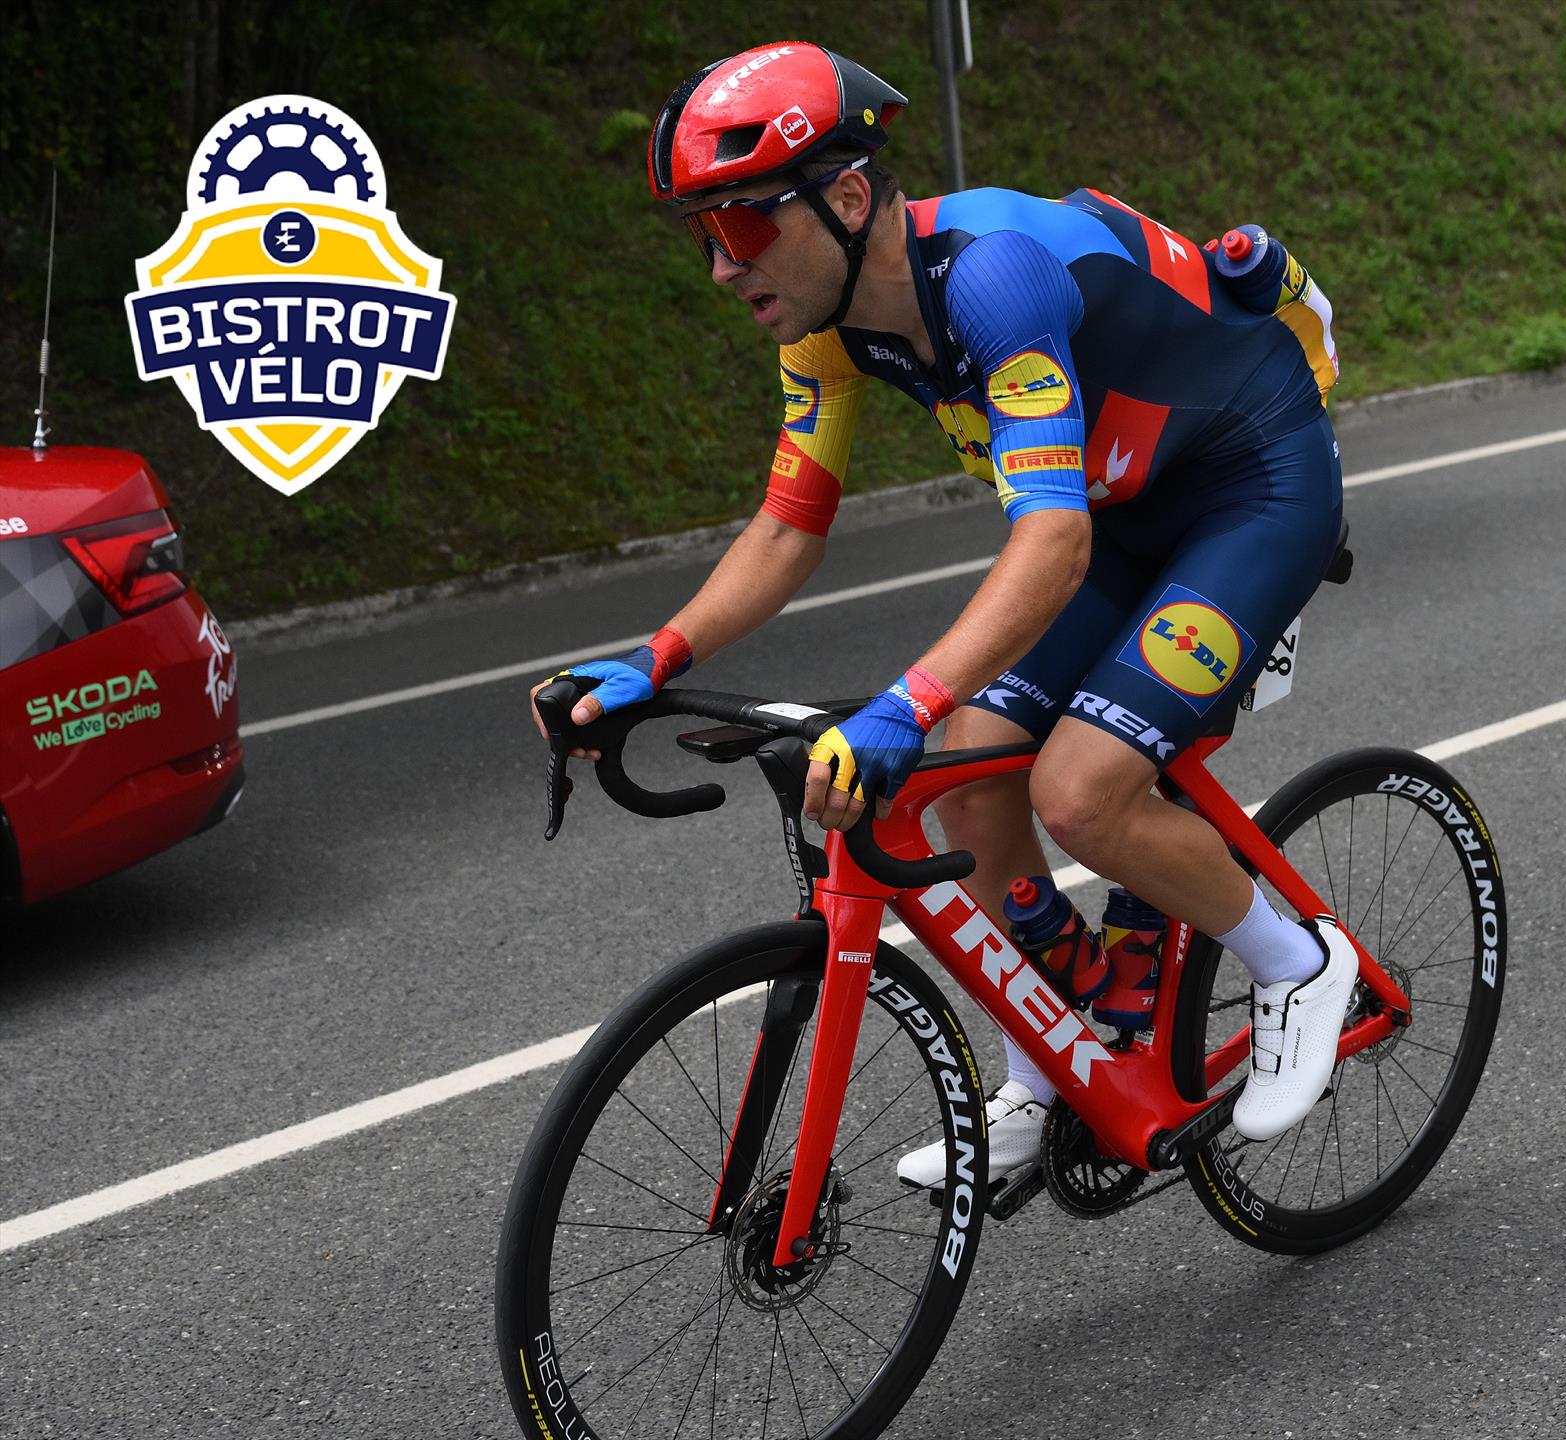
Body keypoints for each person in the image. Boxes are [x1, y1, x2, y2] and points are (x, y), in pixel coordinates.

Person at [529, 42, 1354, 1184]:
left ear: (849, 195)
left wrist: (904, 700)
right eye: (701, 236)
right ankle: (1049, 1058)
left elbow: (1051, 540)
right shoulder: (825, 331)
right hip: (1125, 509)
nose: (721, 269)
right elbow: (785, 531)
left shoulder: (993, 279)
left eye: (743, 228)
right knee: (968, 771)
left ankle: (1298, 962)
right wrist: (653, 656)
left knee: (1077, 792)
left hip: (1250, 487)